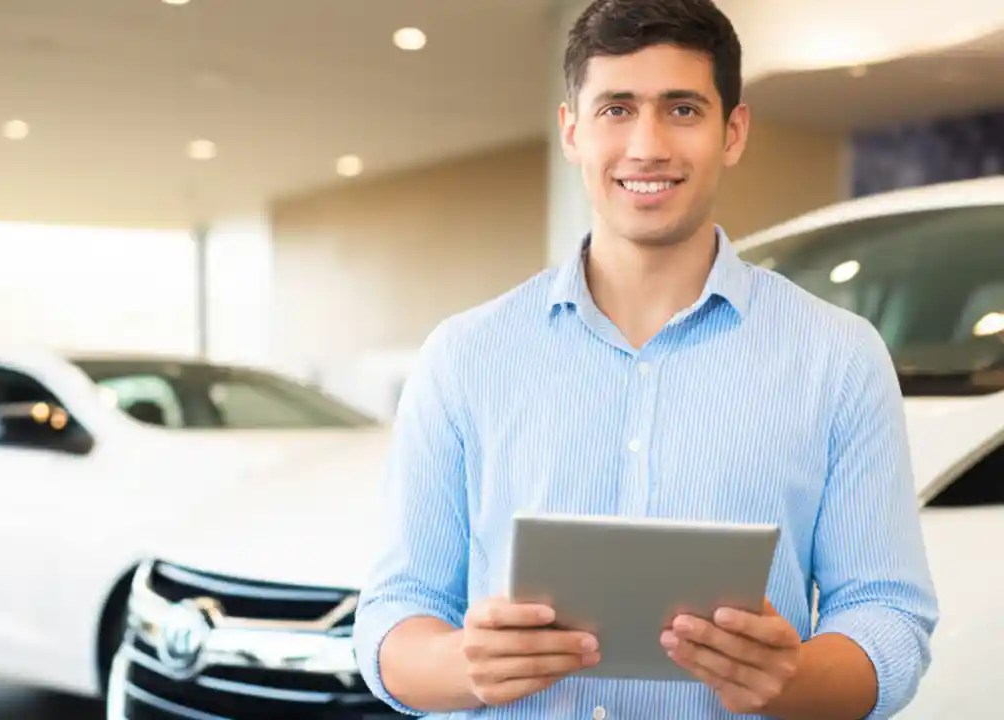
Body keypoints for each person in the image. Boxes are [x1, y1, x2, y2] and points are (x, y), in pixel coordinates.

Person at [352, 0, 939, 718]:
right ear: (572, 130)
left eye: (683, 110)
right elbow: (393, 614)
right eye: (616, 109)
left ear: (733, 131)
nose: (647, 146)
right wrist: (461, 663)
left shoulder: (839, 359)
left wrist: (795, 679)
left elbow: (888, 619)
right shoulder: (464, 356)